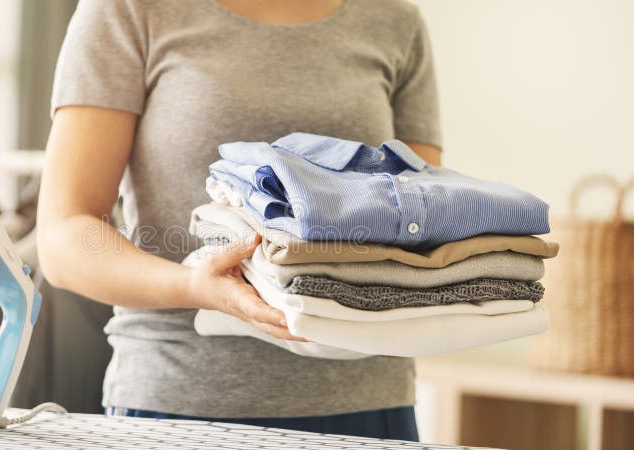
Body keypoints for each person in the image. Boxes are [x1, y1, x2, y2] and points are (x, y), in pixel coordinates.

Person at [37, 0, 442, 440]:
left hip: (370, 406)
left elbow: (427, 216)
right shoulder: (129, 10)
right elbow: (65, 235)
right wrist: (193, 286)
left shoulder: (394, 21)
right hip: (182, 406)